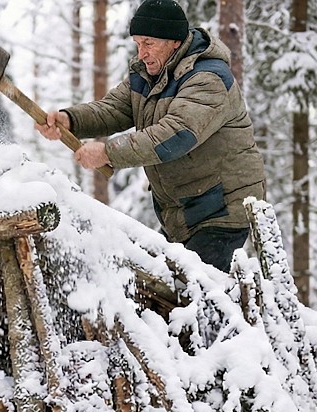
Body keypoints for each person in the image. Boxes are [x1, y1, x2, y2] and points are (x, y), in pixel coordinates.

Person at [35, 0, 266, 272]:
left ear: (175, 42)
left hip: (220, 211)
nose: (141, 53)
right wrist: (69, 119)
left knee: (199, 300)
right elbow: (112, 109)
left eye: (148, 43)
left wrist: (109, 153)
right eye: (137, 44)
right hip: (183, 212)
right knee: (176, 294)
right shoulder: (147, 74)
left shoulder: (208, 78)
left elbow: (175, 135)